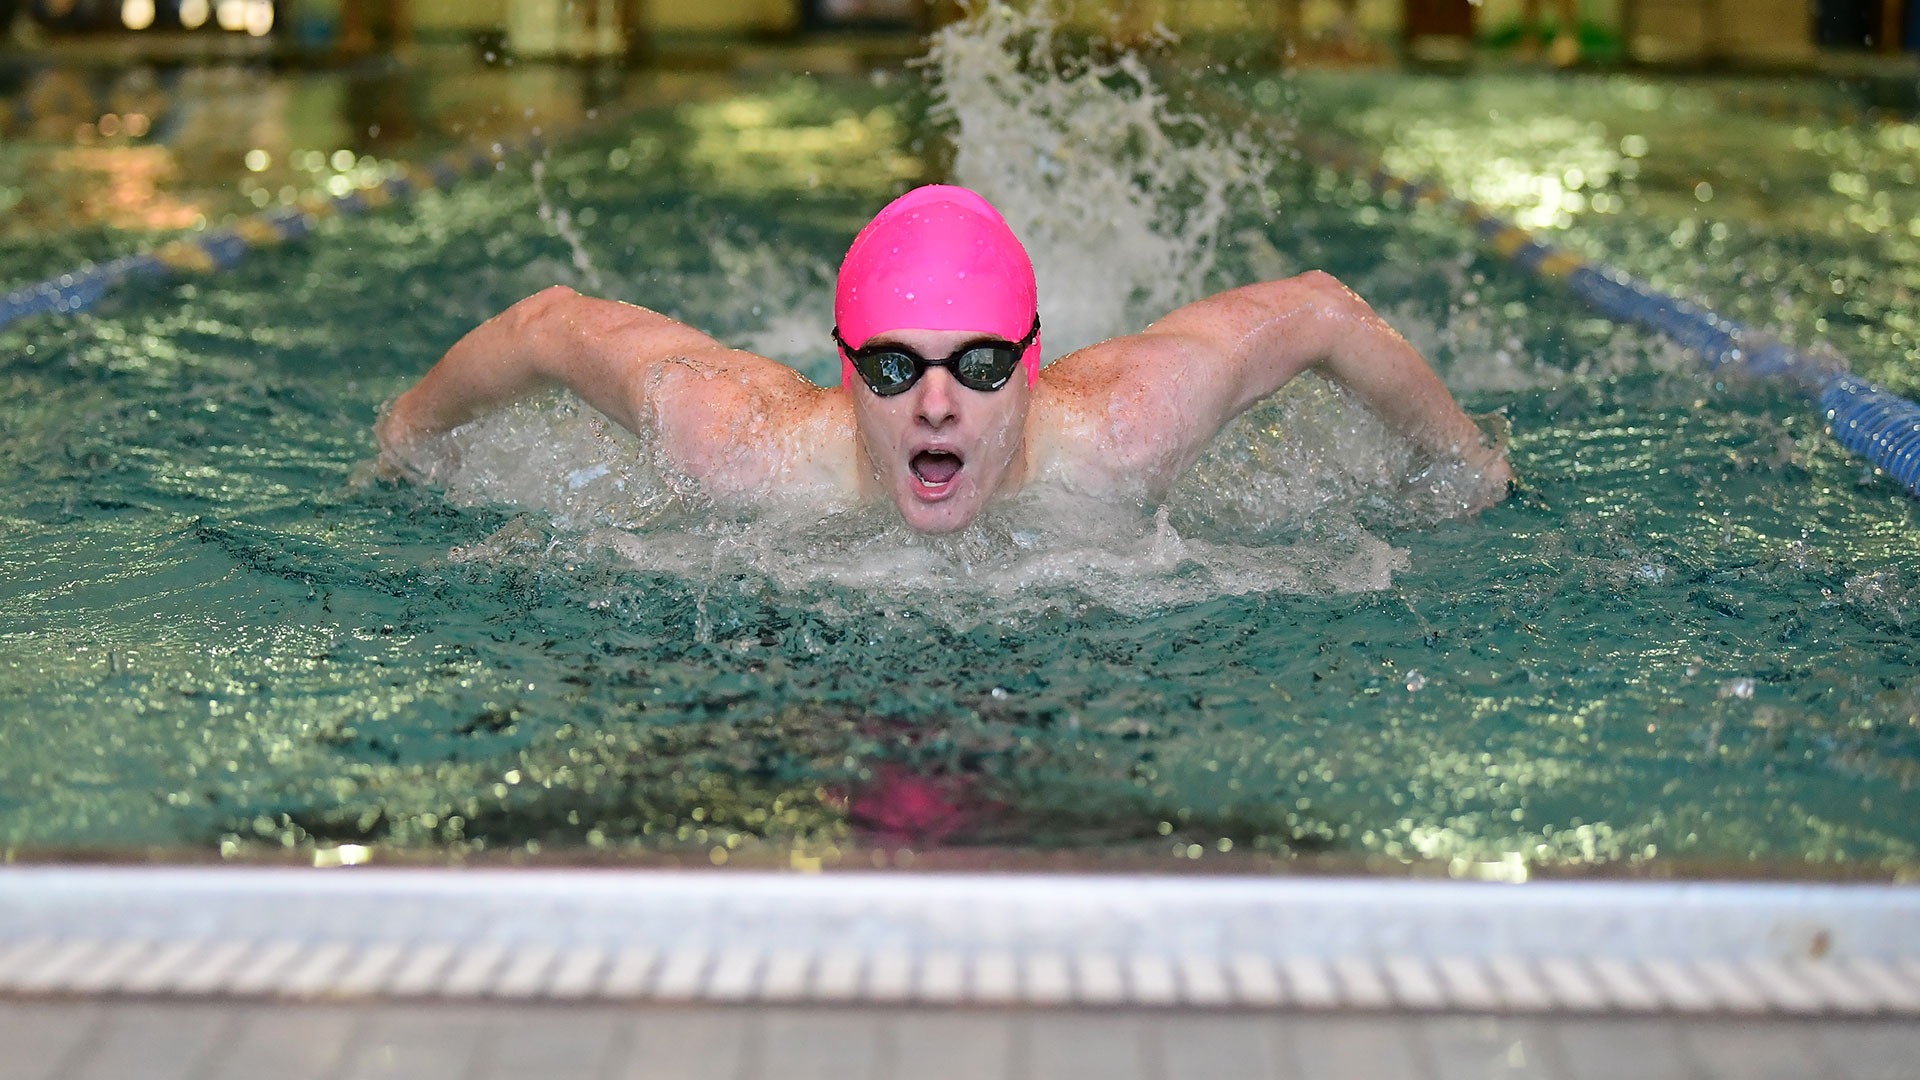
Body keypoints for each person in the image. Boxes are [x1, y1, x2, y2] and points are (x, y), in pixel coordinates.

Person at [376, 184, 1512, 535]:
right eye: (889, 369)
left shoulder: (1130, 427)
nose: (932, 404)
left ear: (1031, 361)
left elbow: (1319, 310)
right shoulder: (735, 447)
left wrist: (1466, 467)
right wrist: (406, 441)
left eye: (975, 366)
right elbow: (548, 324)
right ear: (840, 370)